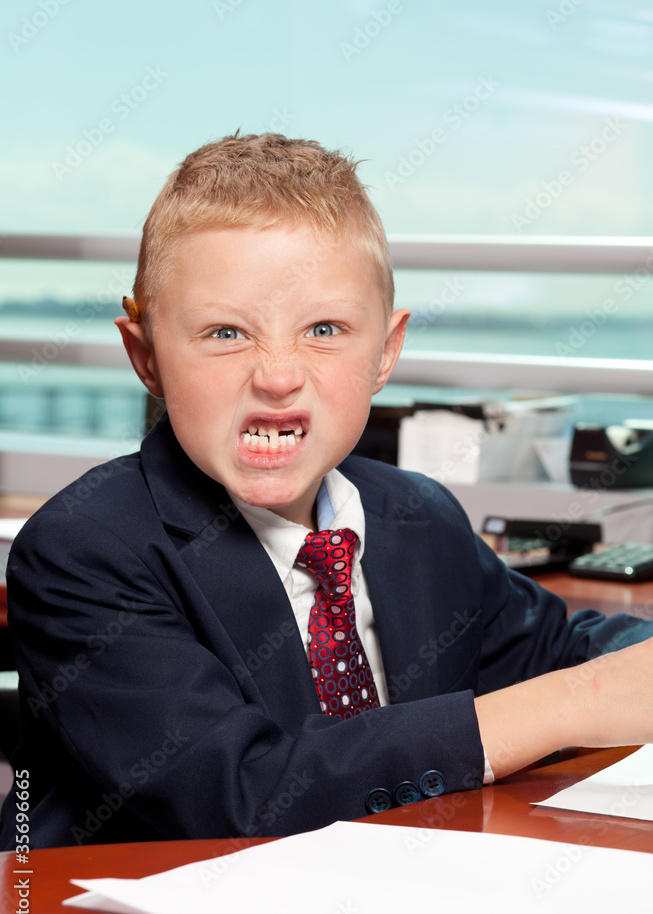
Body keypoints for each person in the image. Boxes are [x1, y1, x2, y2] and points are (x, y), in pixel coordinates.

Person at [1, 132, 653, 850]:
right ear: (146, 357)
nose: (278, 375)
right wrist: (570, 707)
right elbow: (235, 795)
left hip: (384, 901)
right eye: (225, 332)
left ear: (384, 353)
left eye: (323, 329)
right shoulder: (83, 550)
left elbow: (561, 651)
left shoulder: (416, 515)